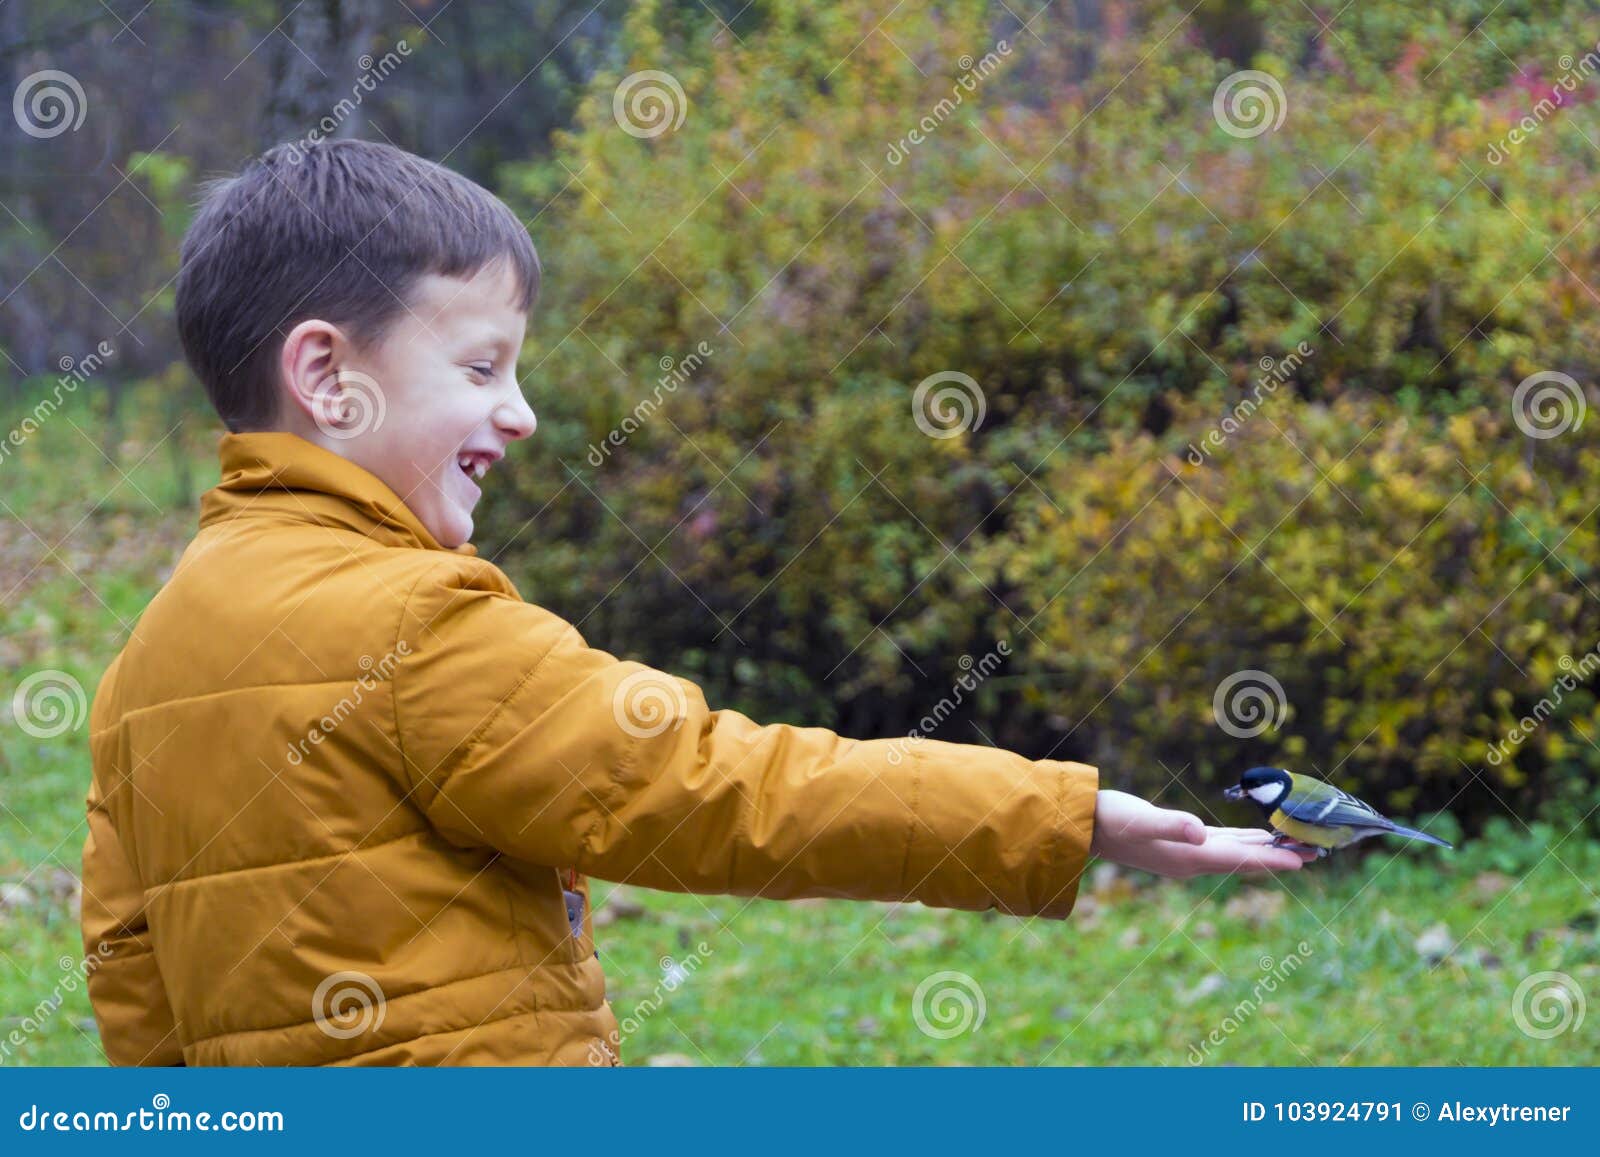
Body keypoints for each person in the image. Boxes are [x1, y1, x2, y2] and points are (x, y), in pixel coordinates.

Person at [81, 139, 1313, 1067]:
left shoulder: (149, 657)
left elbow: (130, 973)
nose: (520, 412)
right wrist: (1057, 812)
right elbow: (722, 788)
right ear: (324, 374)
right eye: (479, 367)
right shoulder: (411, 619)